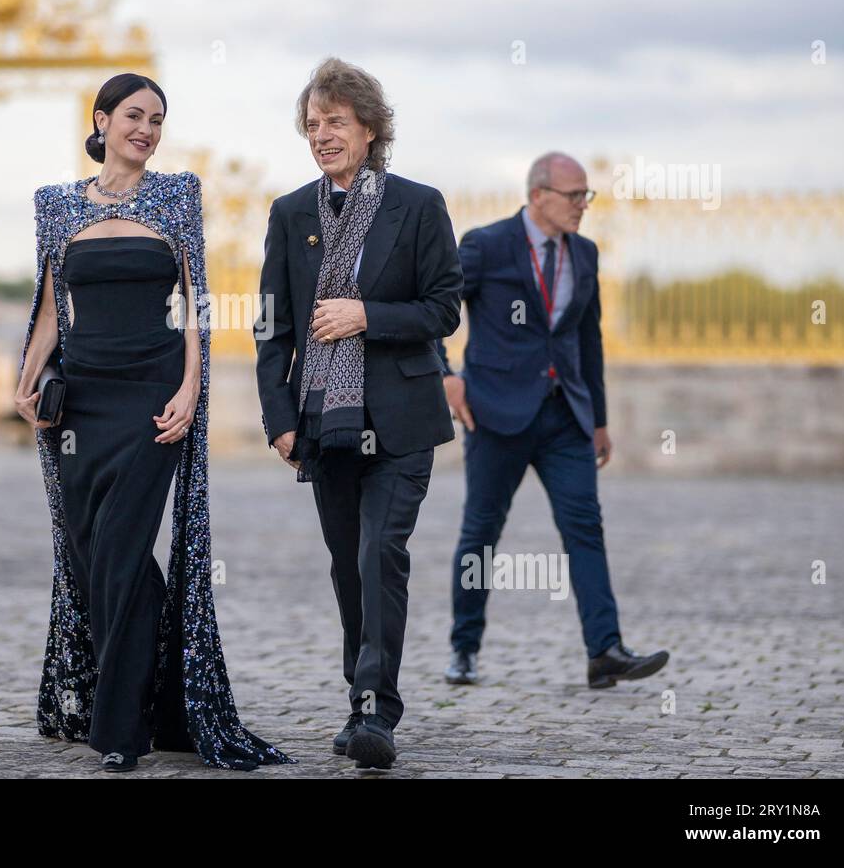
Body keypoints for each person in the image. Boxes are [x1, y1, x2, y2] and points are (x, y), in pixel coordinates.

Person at [15, 72, 292, 773]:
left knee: (118, 546)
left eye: (158, 119)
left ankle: (119, 728)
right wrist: (26, 377)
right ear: (101, 121)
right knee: (94, 555)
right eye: (134, 115)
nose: (147, 128)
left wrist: (194, 384)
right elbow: (53, 306)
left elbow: (197, 299)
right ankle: (164, 701)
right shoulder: (54, 205)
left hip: (151, 397)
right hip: (81, 403)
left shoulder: (177, 195)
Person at [253, 57, 463, 770]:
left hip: (403, 417)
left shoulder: (419, 204)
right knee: (347, 565)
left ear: (370, 129)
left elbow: (443, 310)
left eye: (336, 122)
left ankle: (377, 709)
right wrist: (279, 417)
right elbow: (272, 328)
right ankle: (358, 695)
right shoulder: (288, 215)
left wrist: (365, 315)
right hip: (322, 421)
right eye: (312, 125)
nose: (322, 136)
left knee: (381, 553)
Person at [437, 151, 670, 689]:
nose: (583, 206)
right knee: (481, 533)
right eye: (574, 195)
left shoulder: (585, 254)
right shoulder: (486, 245)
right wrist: (445, 375)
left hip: (566, 416)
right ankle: (464, 648)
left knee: (585, 526)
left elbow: (589, 340)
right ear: (538, 195)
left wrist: (600, 420)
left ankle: (604, 650)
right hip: (495, 414)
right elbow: (437, 310)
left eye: (587, 195)